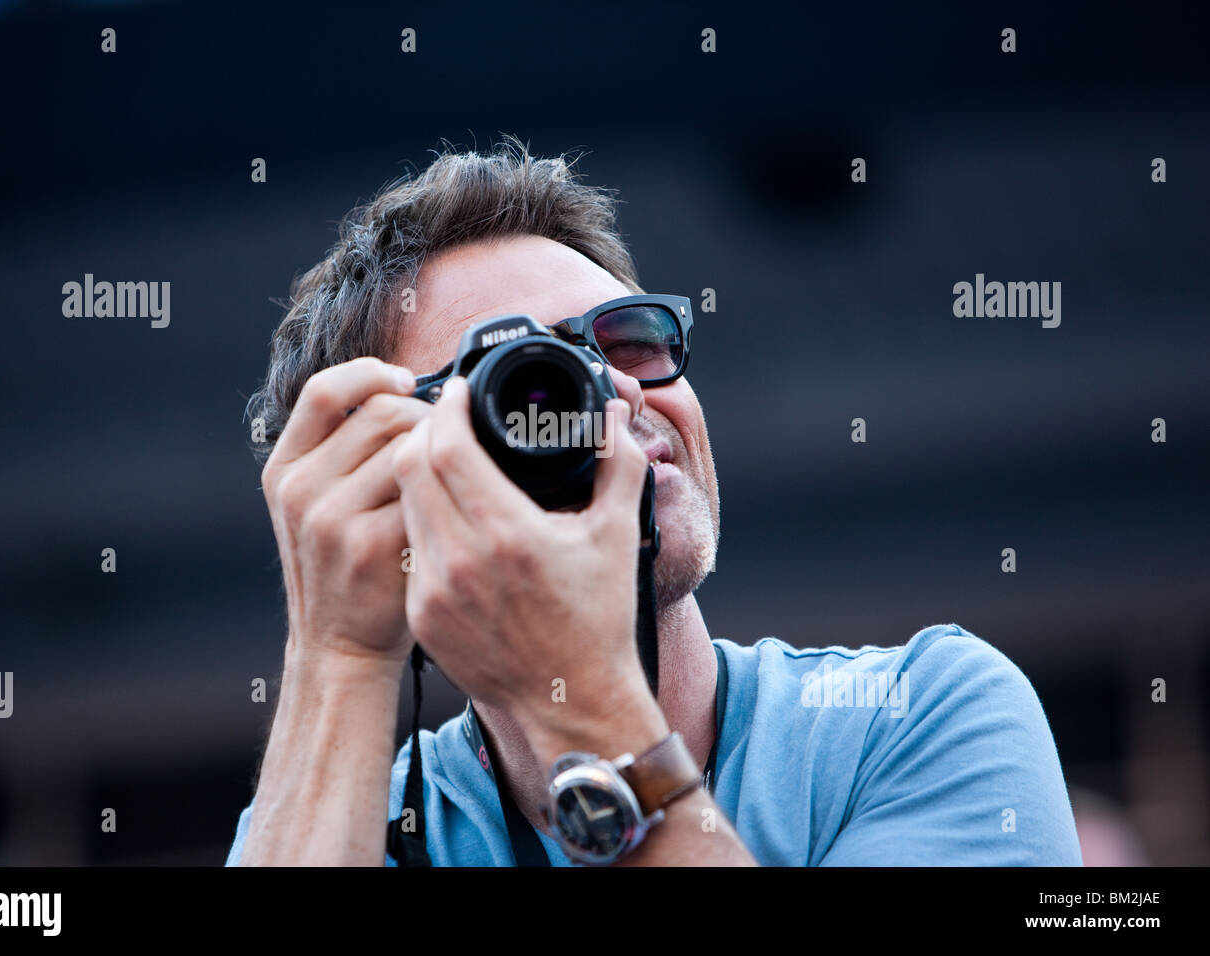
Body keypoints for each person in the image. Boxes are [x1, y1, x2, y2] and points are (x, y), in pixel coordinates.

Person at [224, 136, 1082, 866]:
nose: (616, 398)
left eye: (628, 341)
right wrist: (337, 652)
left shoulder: (918, 717)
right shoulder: (330, 820)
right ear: (385, 480)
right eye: (534, 383)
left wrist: (581, 704)